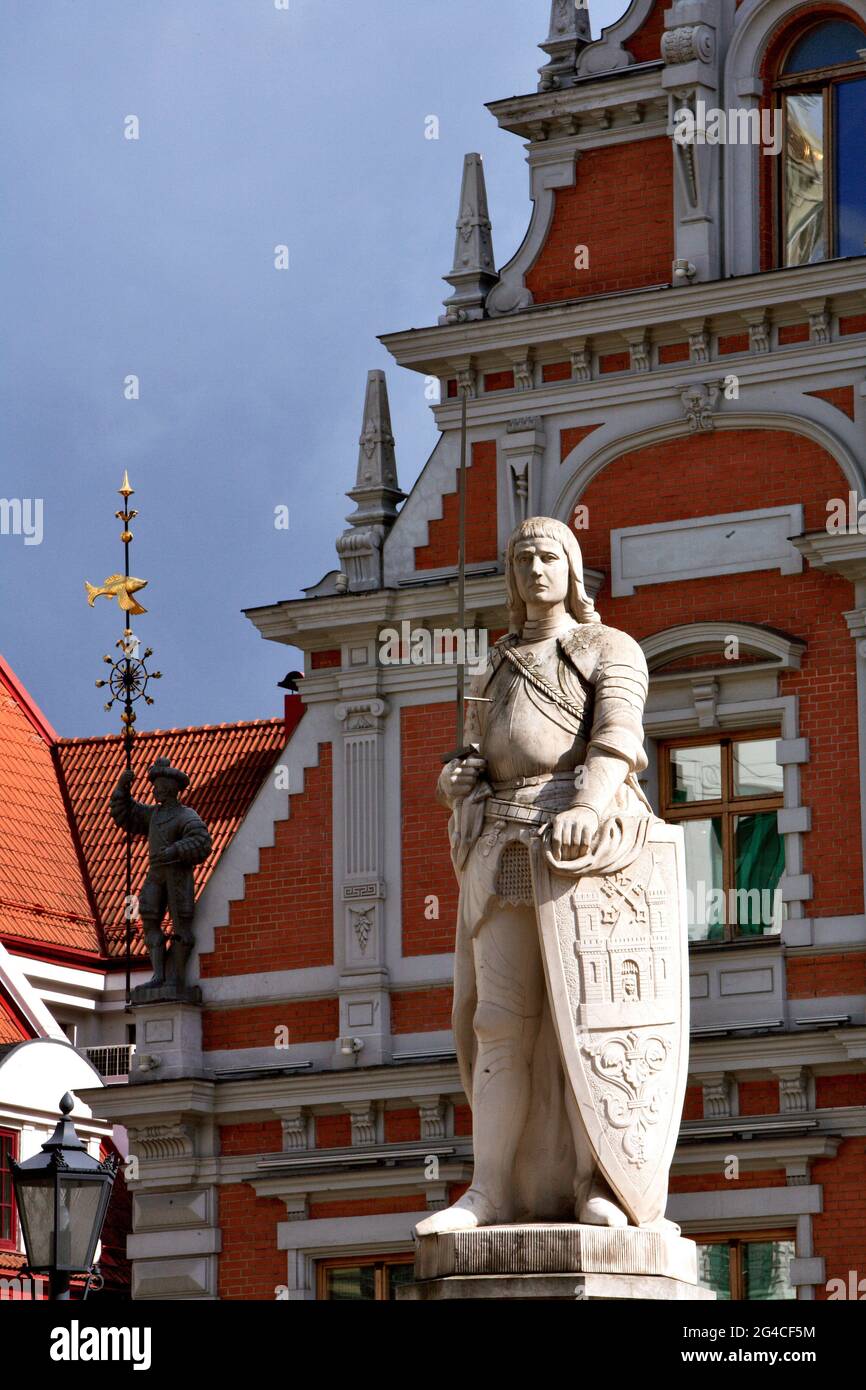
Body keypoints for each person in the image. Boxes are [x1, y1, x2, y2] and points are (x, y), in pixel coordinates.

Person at [417, 516, 657, 1235]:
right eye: (522, 560)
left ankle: (600, 1182)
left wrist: (587, 803)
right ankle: (489, 1190)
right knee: (500, 1024)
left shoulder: (607, 648)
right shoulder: (489, 667)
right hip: (501, 848)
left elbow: (619, 737)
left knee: (587, 1027)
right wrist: (454, 780)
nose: (535, 570)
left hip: (583, 850)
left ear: (573, 567)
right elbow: (470, 759)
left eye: (549, 556)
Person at [110, 757, 212, 990]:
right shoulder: (153, 815)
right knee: (148, 916)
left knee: (181, 926)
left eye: (157, 785)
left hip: (177, 875)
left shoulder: (186, 815)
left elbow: (201, 841)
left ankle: (175, 977)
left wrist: (176, 850)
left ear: (168, 788)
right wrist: (122, 787)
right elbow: (126, 813)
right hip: (156, 873)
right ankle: (158, 975)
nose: (154, 789)